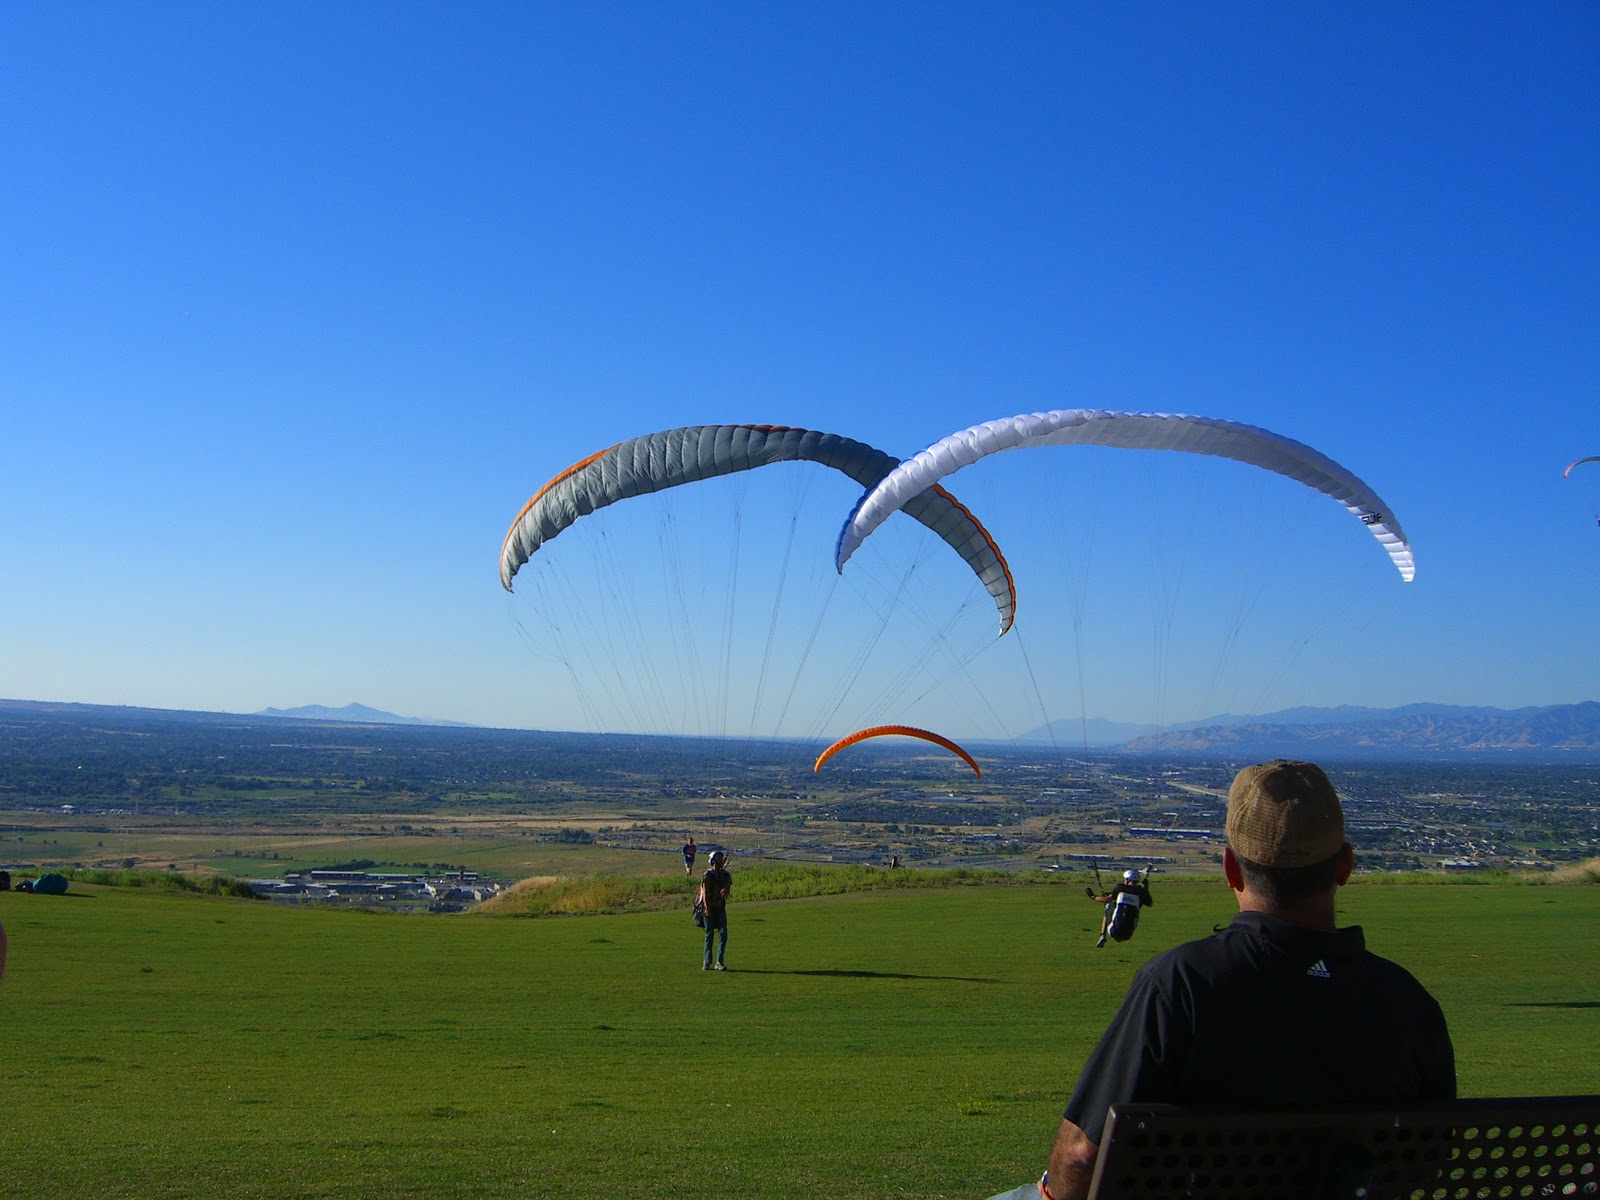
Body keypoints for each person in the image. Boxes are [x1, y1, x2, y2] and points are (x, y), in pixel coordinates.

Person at [997, 759, 1455, 1200]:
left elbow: (1081, 1158)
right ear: (1344, 867)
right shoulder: (1409, 1002)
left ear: (1230, 868)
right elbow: (1425, 1159)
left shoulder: (1181, 986)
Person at [1087, 868, 1153, 948]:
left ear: (1127, 879)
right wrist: (1146, 888)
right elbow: (1149, 903)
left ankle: (1102, 935)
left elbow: (1107, 899)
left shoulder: (1120, 888)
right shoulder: (1141, 892)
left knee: (1109, 906)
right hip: (1128, 934)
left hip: (1113, 931)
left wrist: (1093, 896)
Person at [700, 849, 732, 971]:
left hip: (720, 908)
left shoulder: (726, 875)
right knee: (709, 935)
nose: (721, 860)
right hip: (709, 908)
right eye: (718, 858)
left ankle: (719, 961)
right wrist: (707, 909)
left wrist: (725, 890)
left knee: (723, 933)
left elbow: (728, 889)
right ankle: (707, 961)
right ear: (713, 861)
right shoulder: (707, 875)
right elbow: (704, 893)